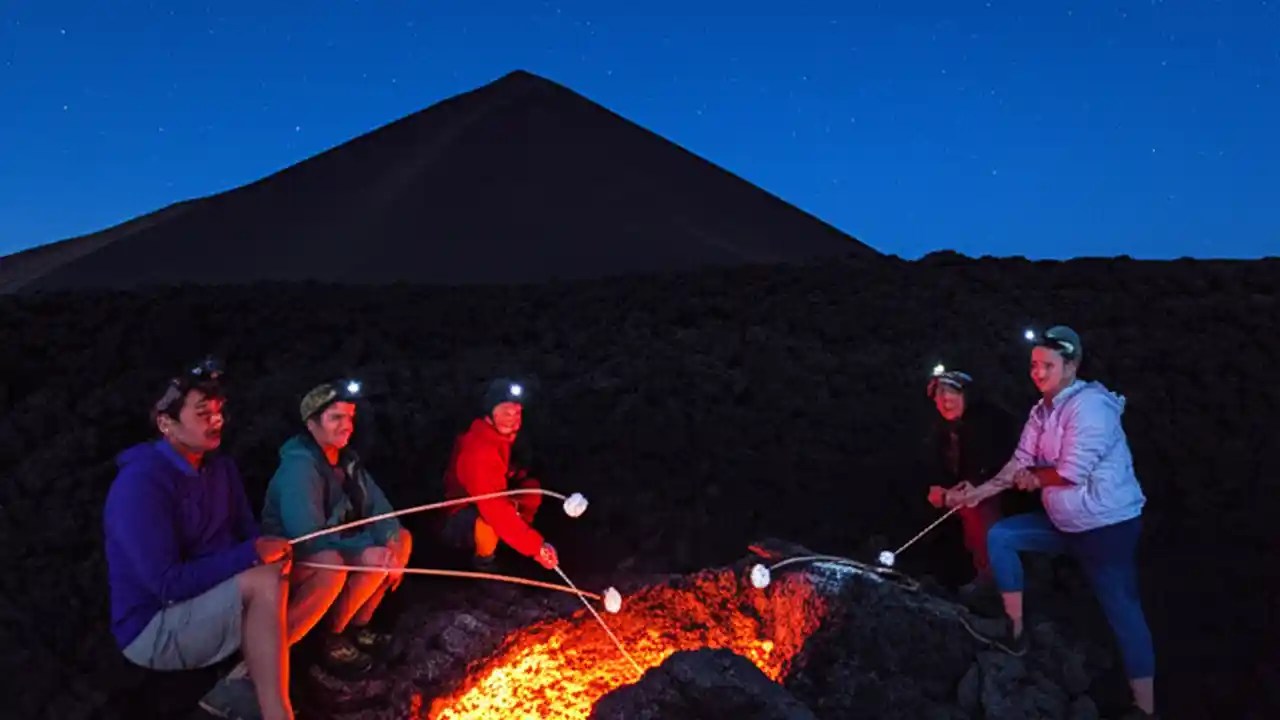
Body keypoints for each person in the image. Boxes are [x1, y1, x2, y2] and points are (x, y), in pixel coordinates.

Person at [104, 358, 335, 720]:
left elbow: (247, 534)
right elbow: (167, 583)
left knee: (326, 568)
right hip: (154, 626)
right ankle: (277, 711)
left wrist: (268, 550)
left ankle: (242, 678)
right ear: (166, 424)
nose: (217, 421)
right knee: (264, 578)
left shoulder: (219, 468)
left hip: (209, 595)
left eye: (218, 411)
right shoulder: (141, 484)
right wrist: (252, 555)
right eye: (202, 413)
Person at [951, 326, 1156, 717]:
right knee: (1002, 537)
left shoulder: (1091, 408)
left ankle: (1145, 708)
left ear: (1071, 365)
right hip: (1065, 524)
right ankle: (1015, 631)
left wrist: (1035, 479)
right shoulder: (1041, 411)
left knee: (1122, 611)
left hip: (1105, 529)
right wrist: (976, 493)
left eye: (1048, 365)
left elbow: (1072, 471)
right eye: (1034, 365)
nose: (1038, 372)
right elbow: (1020, 461)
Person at [260, 379, 412, 677]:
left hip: (337, 548)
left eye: (350, 417)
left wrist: (391, 540)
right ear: (312, 424)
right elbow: (309, 536)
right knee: (357, 560)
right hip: (294, 559)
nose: (347, 425)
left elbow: (380, 510)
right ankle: (329, 636)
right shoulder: (299, 468)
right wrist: (368, 550)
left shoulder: (348, 463)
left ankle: (357, 625)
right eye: (336, 418)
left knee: (400, 540)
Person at [439, 378, 558, 571]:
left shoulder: (501, 439)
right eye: (506, 412)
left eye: (517, 412)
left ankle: (509, 545)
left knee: (529, 490)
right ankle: (484, 564)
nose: (513, 418)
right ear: (490, 415)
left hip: (484, 506)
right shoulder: (479, 450)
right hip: (456, 521)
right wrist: (536, 548)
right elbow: (494, 509)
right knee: (490, 520)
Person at [922, 366, 1021, 595]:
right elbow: (936, 468)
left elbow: (999, 461)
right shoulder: (940, 431)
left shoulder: (989, 422)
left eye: (952, 393)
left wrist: (975, 485)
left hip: (1007, 492)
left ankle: (993, 584)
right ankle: (939, 575)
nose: (945, 399)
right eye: (940, 394)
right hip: (965, 492)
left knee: (979, 511)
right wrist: (939, 489)